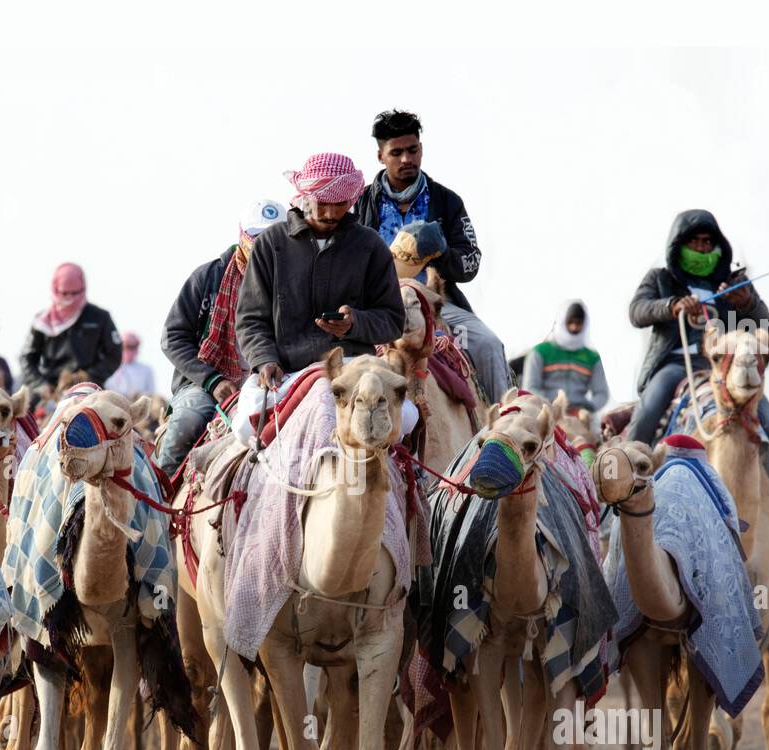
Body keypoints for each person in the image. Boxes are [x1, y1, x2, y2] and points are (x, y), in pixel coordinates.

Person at [628, 208, 769, 525]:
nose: (702, 248)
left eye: (708, 242)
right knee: (645, 417)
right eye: (695, 242)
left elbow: (767, 331)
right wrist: (671, 305)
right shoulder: (661, 279)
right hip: (677, 365)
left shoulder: (734, 284)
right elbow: (637, 311)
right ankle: (622, 494)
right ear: (679, 244)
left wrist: (748, 305)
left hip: (728, 370)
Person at [234, 152, 408, 443]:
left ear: (351, 201)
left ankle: (411, 486)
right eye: (322, 203)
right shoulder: (270, 245)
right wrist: (265, 360)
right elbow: (250, 319)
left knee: (408, 420)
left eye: (339, 204)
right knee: (244, 428)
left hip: (357, 373)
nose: (329, 214)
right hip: (288, 375)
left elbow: (393, 320)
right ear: (304, 197)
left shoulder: (370, 246)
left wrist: (355, 323)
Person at [354, 109, 511, 400]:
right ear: (381, 156)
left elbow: (471, 262)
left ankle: (504, 427)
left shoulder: (447, 201)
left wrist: (440, 252)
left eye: (412, 150)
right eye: (396, 152)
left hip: (436, 307)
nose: (406, 159)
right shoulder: (360, 204)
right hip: (378, 308)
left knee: (488, 345)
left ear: (421, 149)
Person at [156, 199, 286, 475]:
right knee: (189, 421)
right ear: (243, 236)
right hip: (205, 383)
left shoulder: (295, 283)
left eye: (273, 238)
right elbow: (173, 337)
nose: (265, 246)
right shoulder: (208, 278)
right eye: (257, 238)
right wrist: (212, 381)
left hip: (272, 381)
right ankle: (160, 498)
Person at [21, 263, 120, 394]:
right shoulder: (42, 321)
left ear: (83, 288)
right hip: (50, 389)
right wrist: (40, 384)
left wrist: (89, 375)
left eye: (75, 293)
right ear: (55, 289)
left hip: (90, 388)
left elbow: (115, 353)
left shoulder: (100, 317)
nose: (70, 299)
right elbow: (27, 357)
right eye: (65, 293)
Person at [521, 300, 610, 414]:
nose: (574, 327)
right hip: (546, 413)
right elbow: (530, 388)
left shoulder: (592, 357)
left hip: (578, 417)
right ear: (563, 322)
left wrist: (589, 407)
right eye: (570, 322)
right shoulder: (540, 352)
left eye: (578, 323)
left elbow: (602, 393)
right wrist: (548, 406)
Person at [104, 332, 156, 397]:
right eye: (127, 346)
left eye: (134, 347)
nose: (130, 350)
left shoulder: (146, 370)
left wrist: (139, 395)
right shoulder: (108, 366)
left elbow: (152, 393)